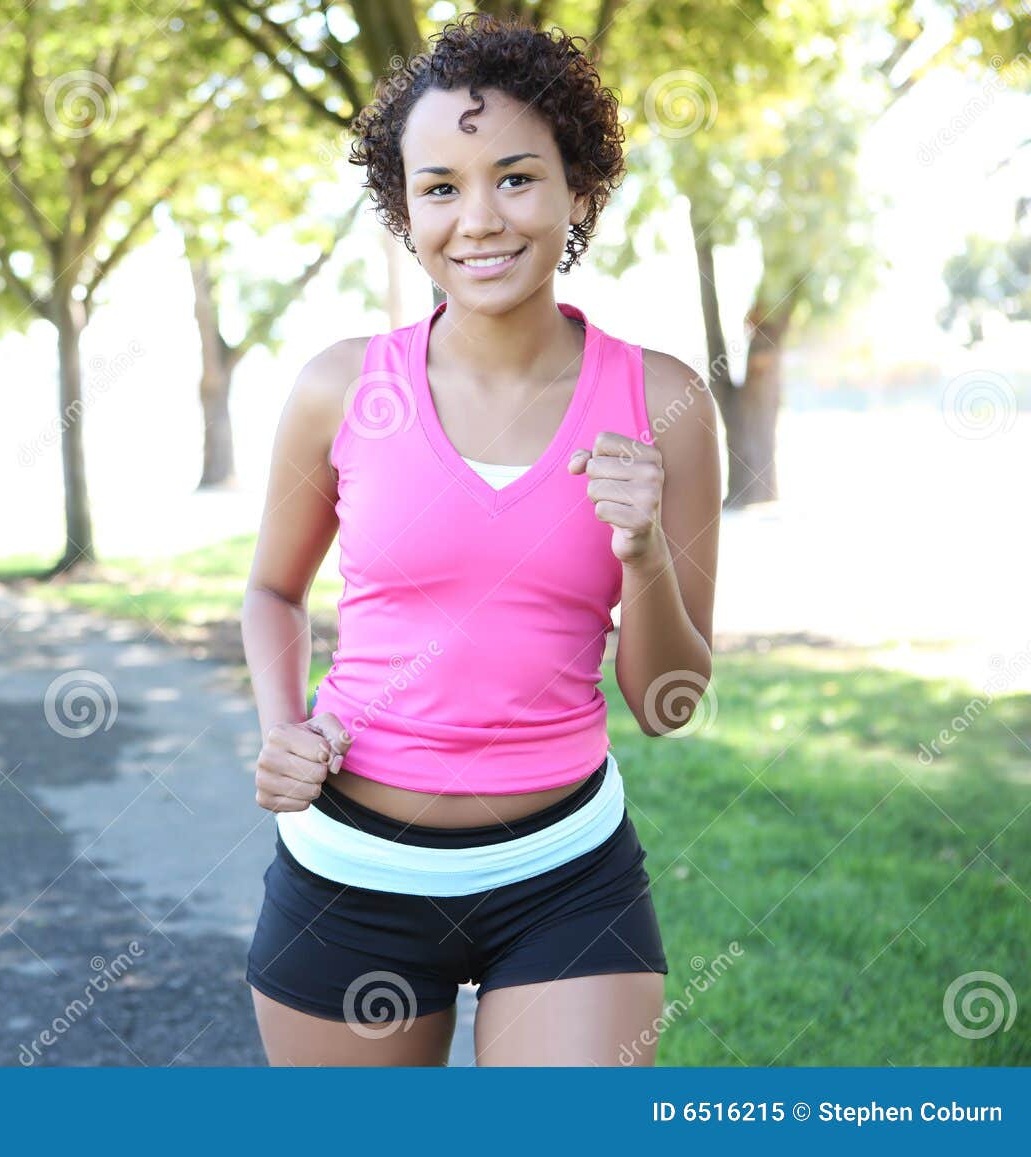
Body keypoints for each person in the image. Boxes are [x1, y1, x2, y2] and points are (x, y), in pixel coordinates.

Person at [240, 13, 721, 1067]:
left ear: (578, 189)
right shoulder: (338, 388)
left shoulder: (664, 403)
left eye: (515, 177)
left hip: (565, 877)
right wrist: (283, 729)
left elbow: (667, 703)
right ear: (404, 210)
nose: (479, 219)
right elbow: (272, 591)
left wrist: (643, 555)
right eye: (440, 187)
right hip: (351, 875)